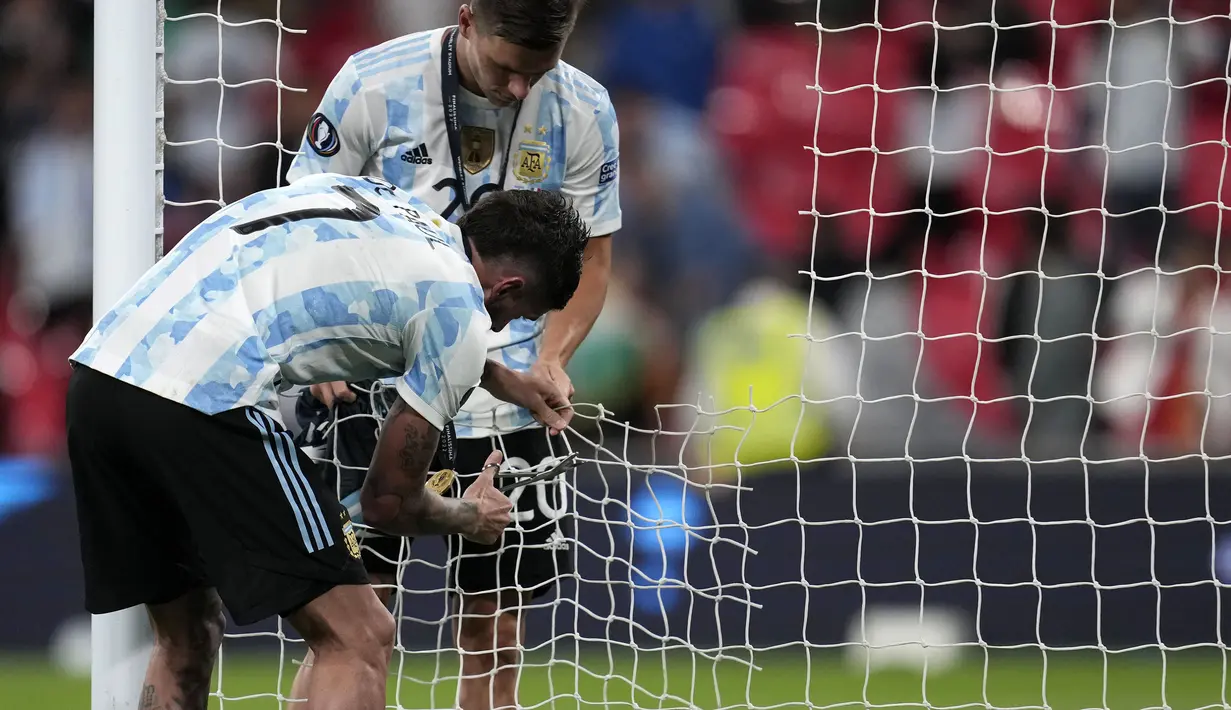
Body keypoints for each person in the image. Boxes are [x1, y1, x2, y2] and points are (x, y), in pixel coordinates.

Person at [65, 172, 588, 710]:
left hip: (101, 379)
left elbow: (400, 309)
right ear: (508, 287)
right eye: (510, 316)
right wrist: (467, 518)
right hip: (206, 393)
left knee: (186, 636)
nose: (497, 329)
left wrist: (501, 378)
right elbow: (388, 502)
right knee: (360, 636)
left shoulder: (394, 208)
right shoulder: (463, 311)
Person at [285, 1, 620, 707]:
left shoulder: (586, 108)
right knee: (354, 617)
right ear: (467, 19)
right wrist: (321, 347)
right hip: (375, 377)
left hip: (509, 395)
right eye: (506, 67)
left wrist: (553, 355)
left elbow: (592, 258)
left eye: (540, 71)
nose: (520, 89)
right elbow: (300, 222)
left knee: (495, 629)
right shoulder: (371, 83)